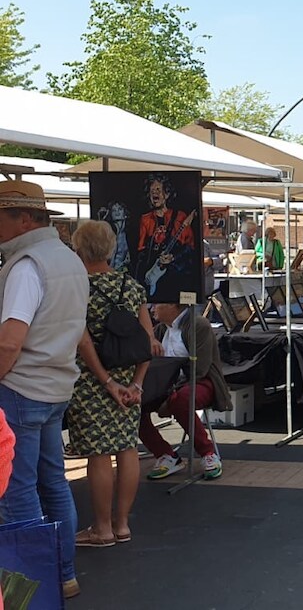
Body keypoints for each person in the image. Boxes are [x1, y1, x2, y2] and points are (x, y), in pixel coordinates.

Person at [0, 180, 89, 599]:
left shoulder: (26, 265)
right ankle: (63, 575)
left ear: (21, 219)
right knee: (54, 483)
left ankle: (31, 588)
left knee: (17, 492)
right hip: (55, 387)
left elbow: (9, 341)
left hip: (21, 388)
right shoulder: (69, 260)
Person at [67, 221, 153, 549]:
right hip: (130, 380)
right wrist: (137, 384)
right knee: (127, 447)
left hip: (91, 382)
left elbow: (83, 341)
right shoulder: (131, 286)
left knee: (99, 454)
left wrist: (106, 381)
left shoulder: (78, 288)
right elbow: (148, 340)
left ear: (79, 249)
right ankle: (122, 525)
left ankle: (101, 528)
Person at [140, 302, 229, 481]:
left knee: (182, 399)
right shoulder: (159, 330)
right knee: (132, 404)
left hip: (201, 382)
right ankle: (165, 455)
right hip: (167, 386)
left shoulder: (199, 325)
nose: (152, 308)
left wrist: (171, 393)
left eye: (157, 304)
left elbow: (200, 369)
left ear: (172, 305)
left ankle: (208, 453)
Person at [134, 173, 195, 298]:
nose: (154, 193)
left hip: (174, 277)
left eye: (158, 189)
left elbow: (190, 248)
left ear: (166, 194)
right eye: (151, 190)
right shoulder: (145, 219)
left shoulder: (180, 217)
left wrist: (173, 258)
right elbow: (141, 251)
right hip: (152, 275)